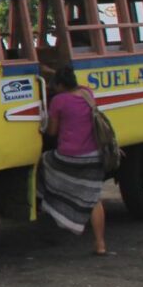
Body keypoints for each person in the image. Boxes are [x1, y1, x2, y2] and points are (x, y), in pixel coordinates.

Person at [36, 67, 107, 254]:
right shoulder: (87, 93)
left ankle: (52, 205)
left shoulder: (58, 101)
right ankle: (100, 244)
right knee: (94, 198)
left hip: (69, 157)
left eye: (54, 85)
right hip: (94, 155)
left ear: (60, 85)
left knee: (43, 162)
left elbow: (51, 132)